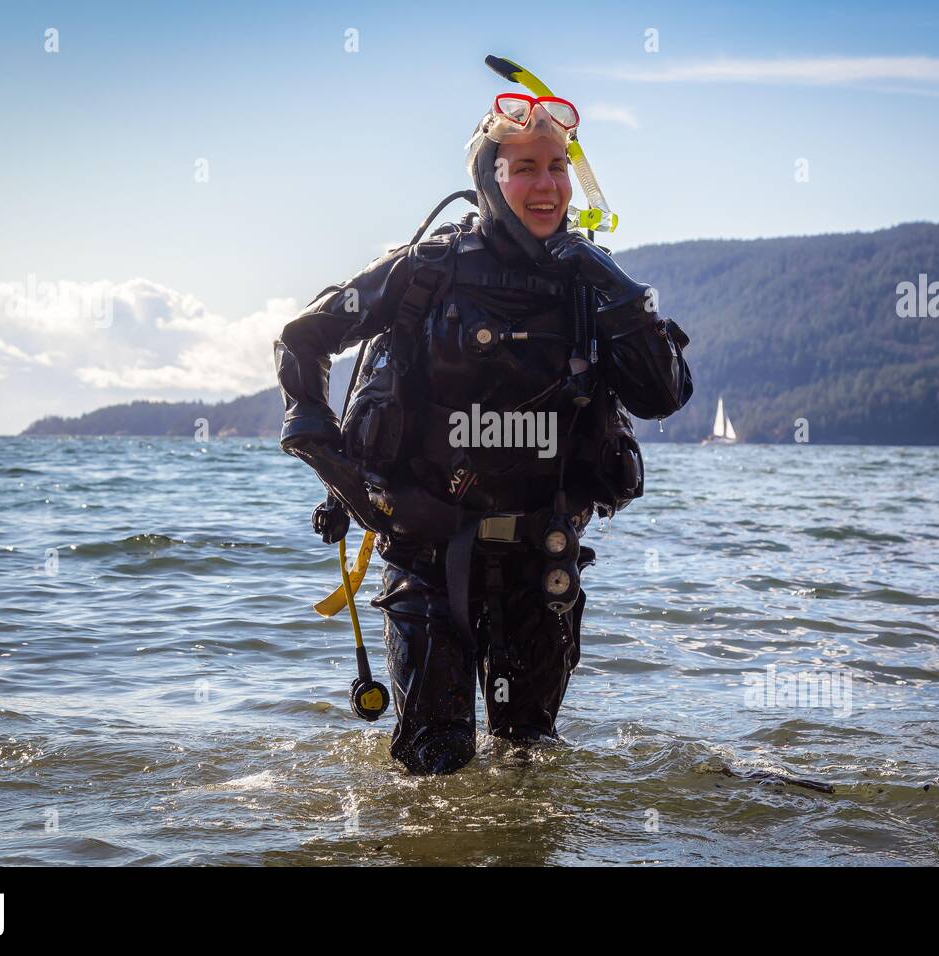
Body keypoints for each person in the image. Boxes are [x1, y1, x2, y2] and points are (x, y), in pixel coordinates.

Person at [274, 89, 693, 775]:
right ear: (489, 178)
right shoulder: (429, 271)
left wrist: (609, 279)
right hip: (429, 562)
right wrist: (353, 485)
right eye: (524, 166)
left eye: (558, 166)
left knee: (530, 770)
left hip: (543, 563)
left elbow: (662, 395)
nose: (546, 184)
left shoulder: (592, 288)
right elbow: (301, 341)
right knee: (432, 776)